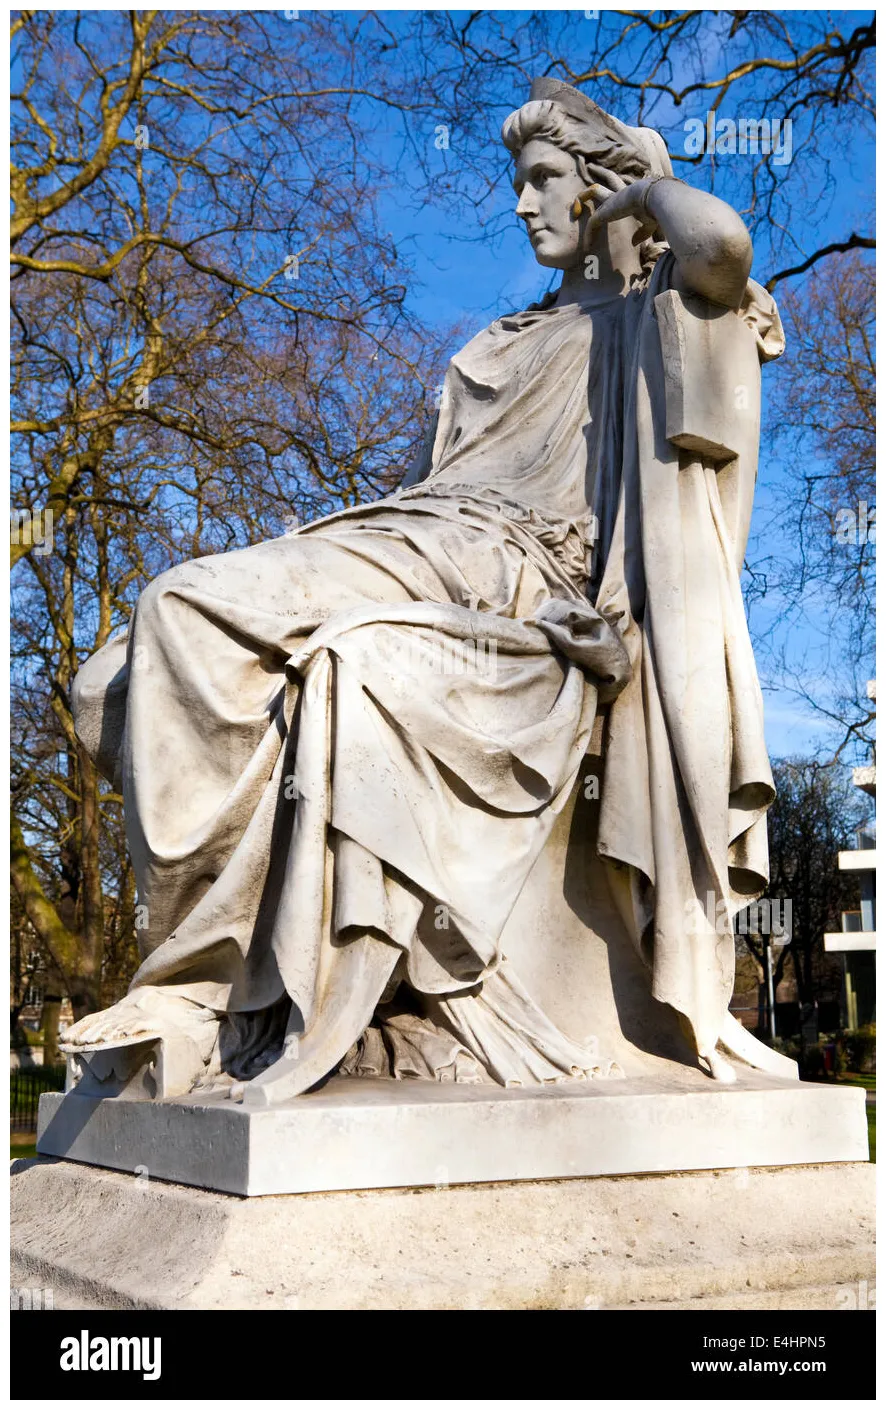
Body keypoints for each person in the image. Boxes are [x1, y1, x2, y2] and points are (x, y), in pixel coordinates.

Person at [62, 78, 785, 1099]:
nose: (521, 205)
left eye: (543, 181)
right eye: (518, 183)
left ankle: (197, 989)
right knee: (124, 674)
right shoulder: (495, 344)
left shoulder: (656, 317)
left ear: (597, 189)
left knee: (184, 608)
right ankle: (210, 986)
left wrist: (631, 199)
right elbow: (430, 488)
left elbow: (716, 247)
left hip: (508, 567)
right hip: (412, 538)